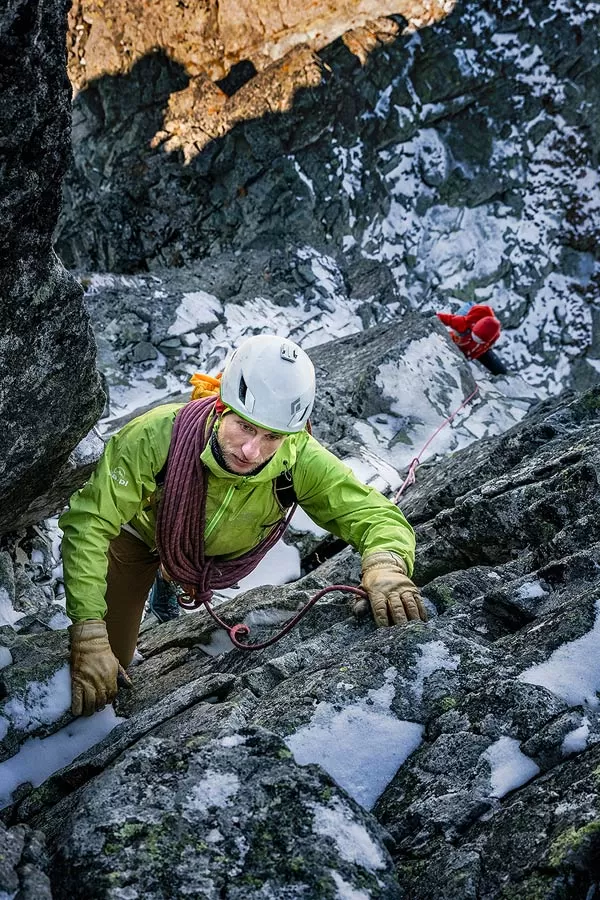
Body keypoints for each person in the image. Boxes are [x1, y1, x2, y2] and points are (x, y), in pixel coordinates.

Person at [60, 335, 425, 717]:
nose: (253, 451)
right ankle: (167, 565)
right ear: (220, 406)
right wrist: (87, 632)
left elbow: (375, 515)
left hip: (207, 552)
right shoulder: (157, 434)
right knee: (104, 665)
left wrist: (385, 565)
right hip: (138, 532)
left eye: (272, 436)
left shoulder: (300, 461)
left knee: (178, 564)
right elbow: (89, 522)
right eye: (245, 427)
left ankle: (175, 571)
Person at [437, 304, 504, 372]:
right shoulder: (463, 323)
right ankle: (468, 305)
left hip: (474, 349)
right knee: (460, 317)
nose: (476, 339)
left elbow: (484, 349)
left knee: (501, 370)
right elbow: (445, 318)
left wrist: (469, 357)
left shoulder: (493, 337)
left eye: (480, 340)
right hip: (461, 338)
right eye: (474, 335)